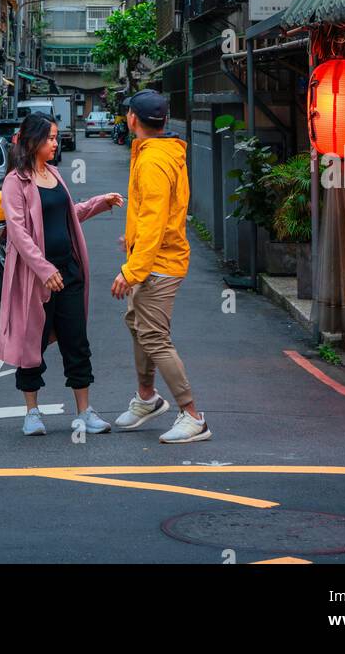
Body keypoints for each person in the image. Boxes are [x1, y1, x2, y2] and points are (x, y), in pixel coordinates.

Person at [0, 112, 123, 437]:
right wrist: (43, 268)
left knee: (76, 341)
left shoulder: (54, 174)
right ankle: (32, 413)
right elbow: (18, 231)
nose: (56, 143)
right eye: (51, 138)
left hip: (68, 271)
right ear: (33, 140)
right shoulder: (16, 181)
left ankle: (85, 412)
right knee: (32, 345)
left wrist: (100, 202)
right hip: (34, 278)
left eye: (56, 137)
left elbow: (70, 214)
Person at [111, 90, 211, 444]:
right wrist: (133, 240)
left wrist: (132, 270)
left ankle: (193, 416)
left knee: (154, 336)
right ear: (164, 121)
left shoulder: (153, 160)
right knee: (138, 325)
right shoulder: (159, 152)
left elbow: (154, 220)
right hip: (154, 256)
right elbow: (159, 213)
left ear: (133, 119)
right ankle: (147, 398)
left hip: (158, 264)